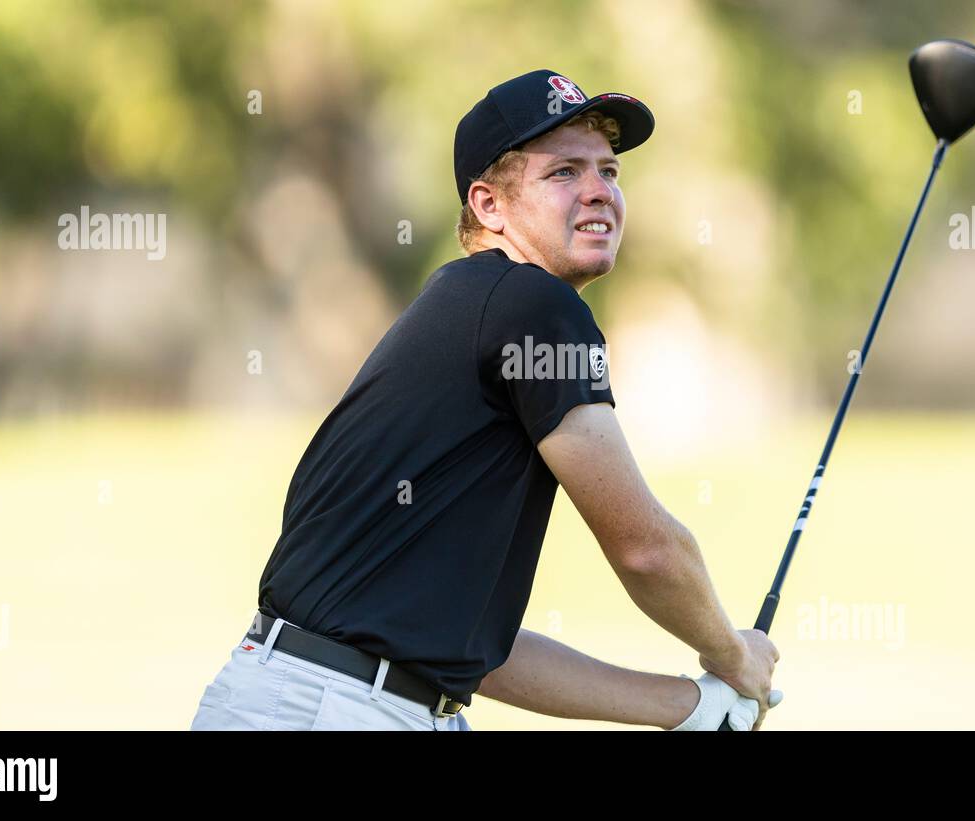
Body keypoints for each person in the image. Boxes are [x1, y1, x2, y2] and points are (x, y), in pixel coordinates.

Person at [190, 69, 780, 731]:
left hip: (334, 699)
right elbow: (647, 547)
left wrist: (691, 706)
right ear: (490, 205)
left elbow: (474, 651)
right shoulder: (532, 305)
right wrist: (734, 654)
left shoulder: (471, 305)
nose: (599, 193)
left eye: (609, 172)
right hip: (332, 708)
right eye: (563, 173)